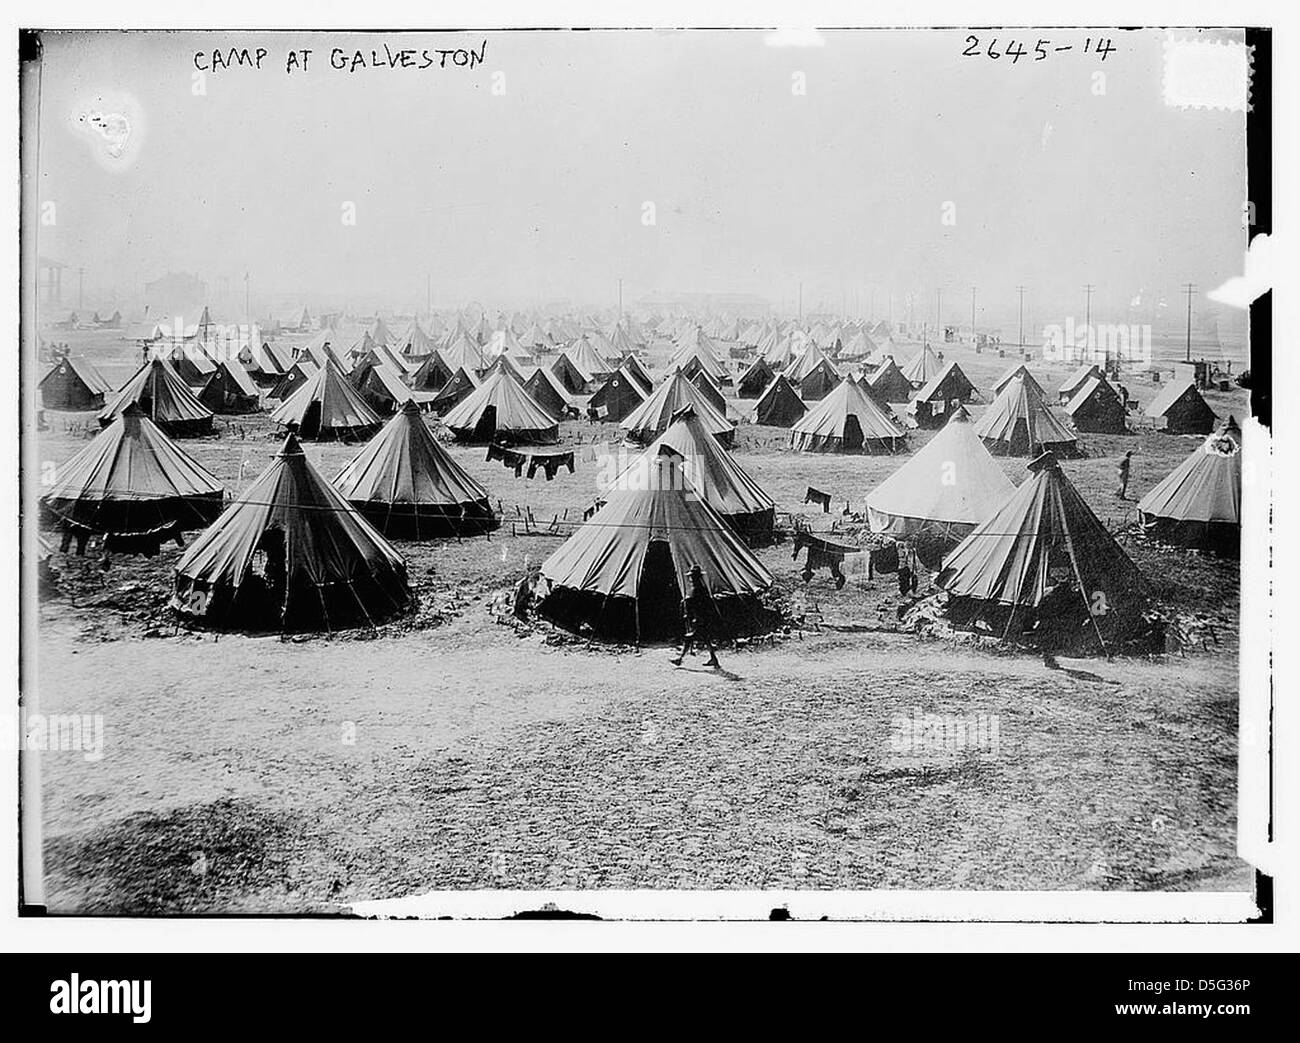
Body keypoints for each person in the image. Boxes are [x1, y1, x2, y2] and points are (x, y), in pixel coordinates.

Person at [671, 563, 721, 669]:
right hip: (702, 618)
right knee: (705, 639)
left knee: (689, 637)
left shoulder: (696, 589)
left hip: (699, 619)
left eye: (692, 577)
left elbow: (695, 603)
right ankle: (714, 659)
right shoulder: (701, 588)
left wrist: (686, 602)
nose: (690, 579)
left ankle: (680, 659)